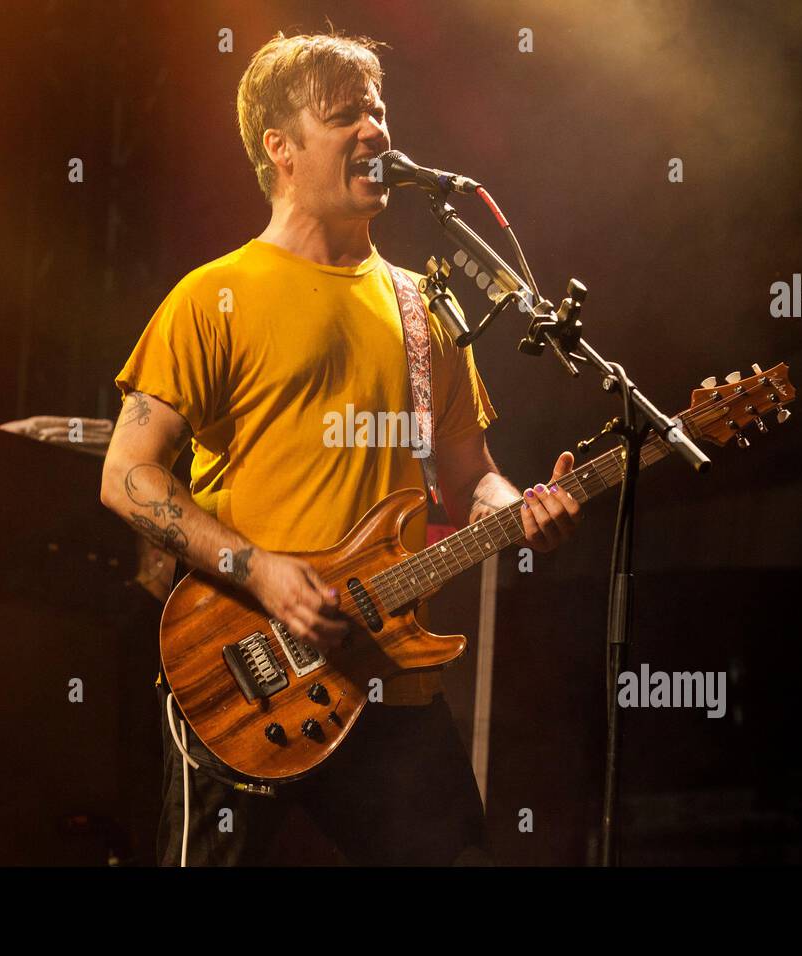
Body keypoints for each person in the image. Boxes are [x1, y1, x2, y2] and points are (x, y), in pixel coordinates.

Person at [100, 30, 583, 866]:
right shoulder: (214, 296)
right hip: (240, 675)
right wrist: (261, 570)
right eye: (346, 115)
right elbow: (126, 476)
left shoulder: (424, 311)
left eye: (379, 111)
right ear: (279, 149)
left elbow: (473, 481)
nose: (376, 131)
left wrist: (522, 510)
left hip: (392, 681)